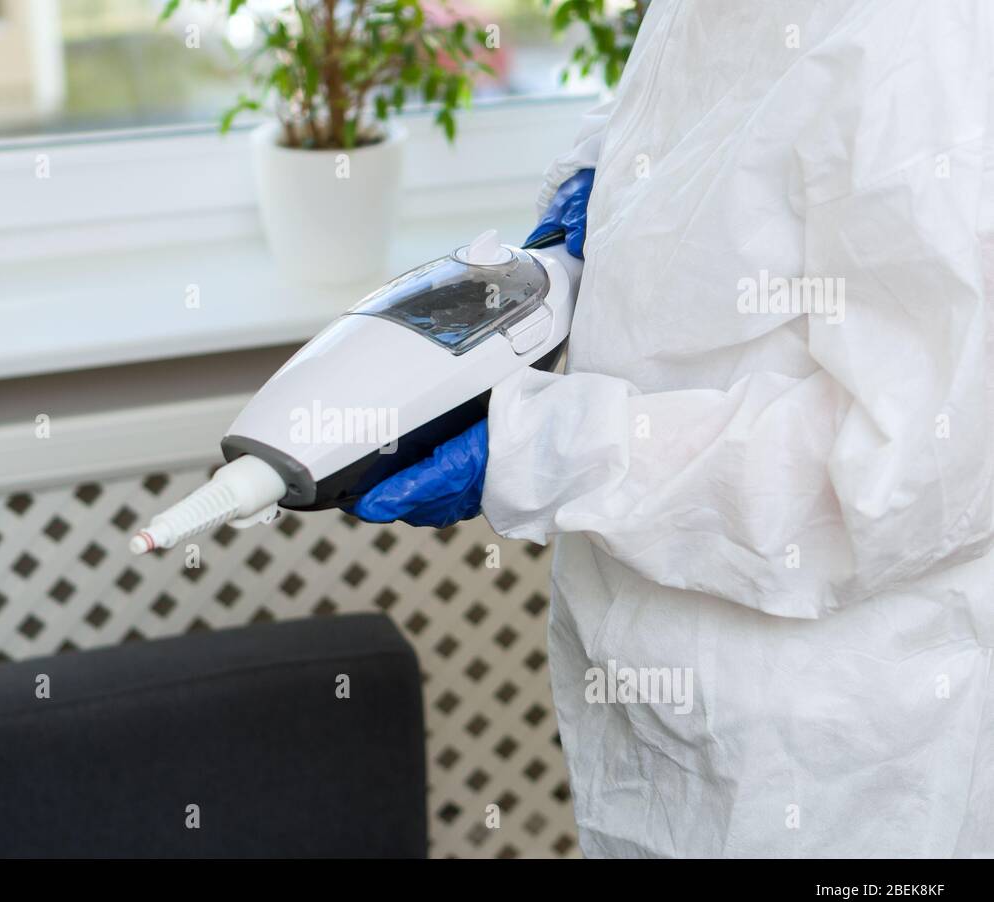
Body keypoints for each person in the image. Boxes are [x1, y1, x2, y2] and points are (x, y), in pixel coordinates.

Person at [351, 0, 994, 857]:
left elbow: (912, 466)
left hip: (831, 757)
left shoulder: (931, 40)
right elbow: (729, 106)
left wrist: (549, 451)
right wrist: (601, 173)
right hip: (653, 680)